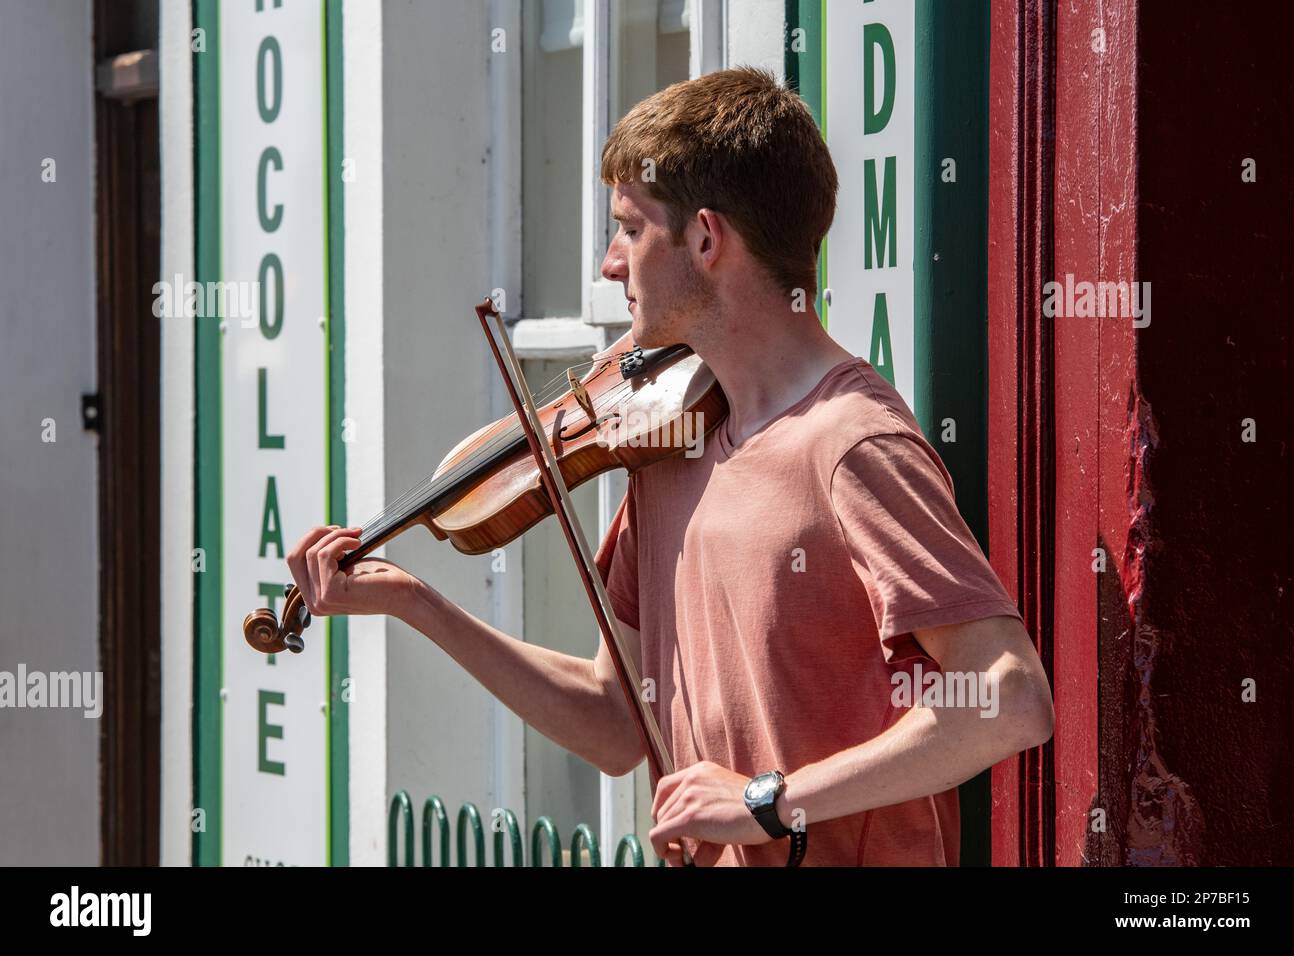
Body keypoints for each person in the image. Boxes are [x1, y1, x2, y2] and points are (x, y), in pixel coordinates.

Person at [286, 66, 1054, 867]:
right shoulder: (670, 446)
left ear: (706, 238)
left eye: (628, 227)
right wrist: (416, 603)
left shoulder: (851, 445)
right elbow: (615, 719)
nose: (610, 263)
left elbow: (1011, 699)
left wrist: (770, 799)